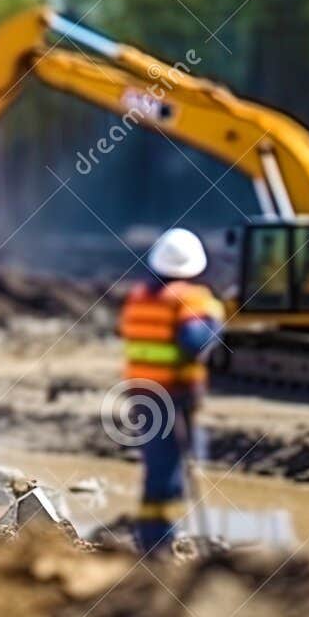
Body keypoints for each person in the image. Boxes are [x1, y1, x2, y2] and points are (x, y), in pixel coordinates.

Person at [118, 227, 223, 554]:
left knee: (159, 466)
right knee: (173, 469)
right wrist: (214, 321)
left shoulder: (138, 296)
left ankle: (153, 535)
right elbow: (195, 343)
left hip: (143, 394)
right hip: (173, 395)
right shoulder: (190, 299)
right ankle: (158, 542)